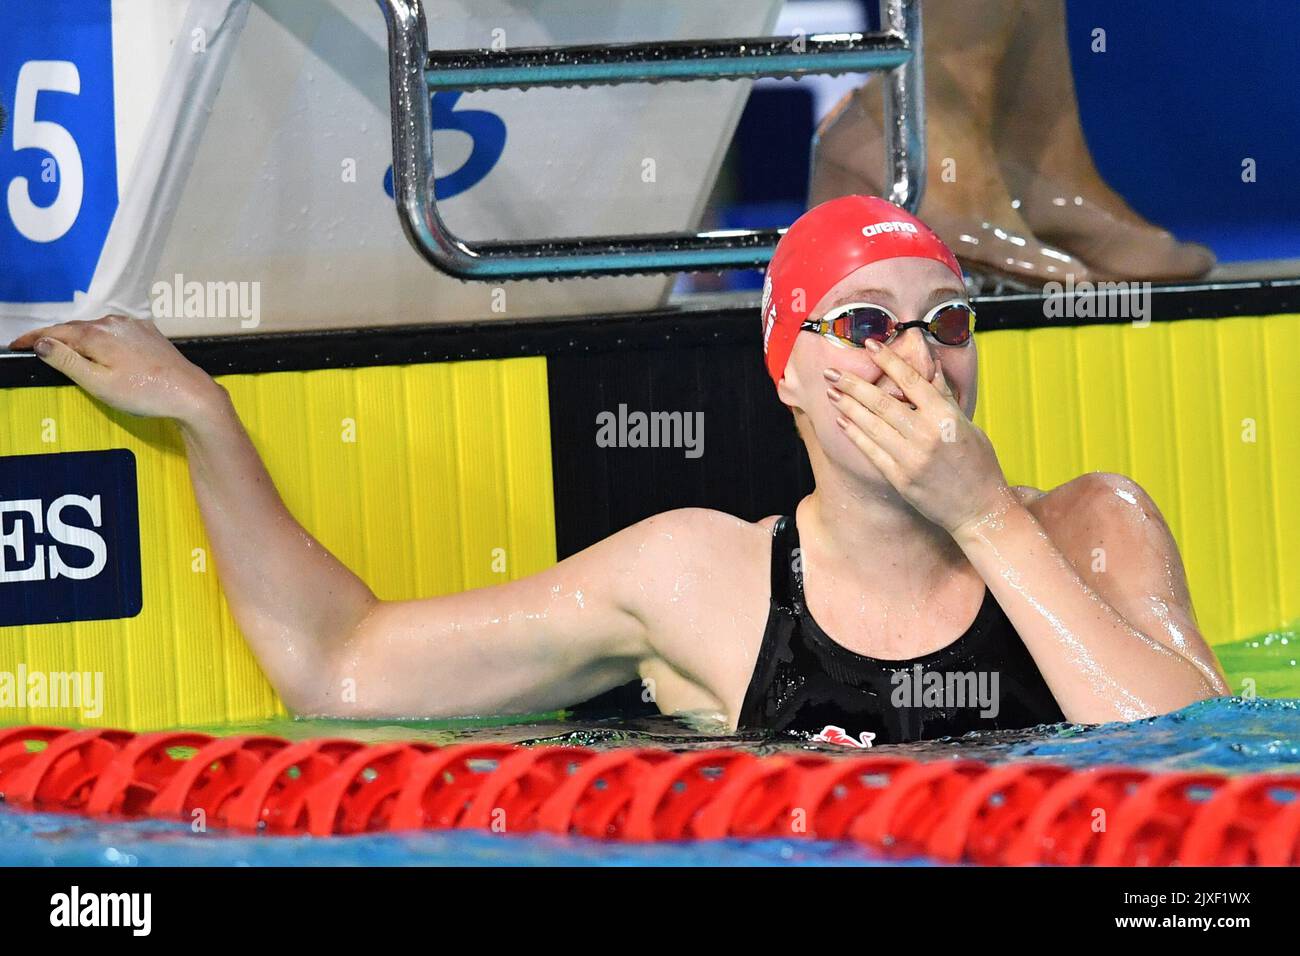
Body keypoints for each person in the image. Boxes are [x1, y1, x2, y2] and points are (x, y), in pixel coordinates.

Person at [6, 196, 1228, 745]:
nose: (917, 356)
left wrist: (986, 524)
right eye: (863, 324)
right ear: (786, 372)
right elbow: (339, 671)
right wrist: (209, 423)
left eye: (948, 322)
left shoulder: (1087, 527)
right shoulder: (700, 580)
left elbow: (1197, 766)